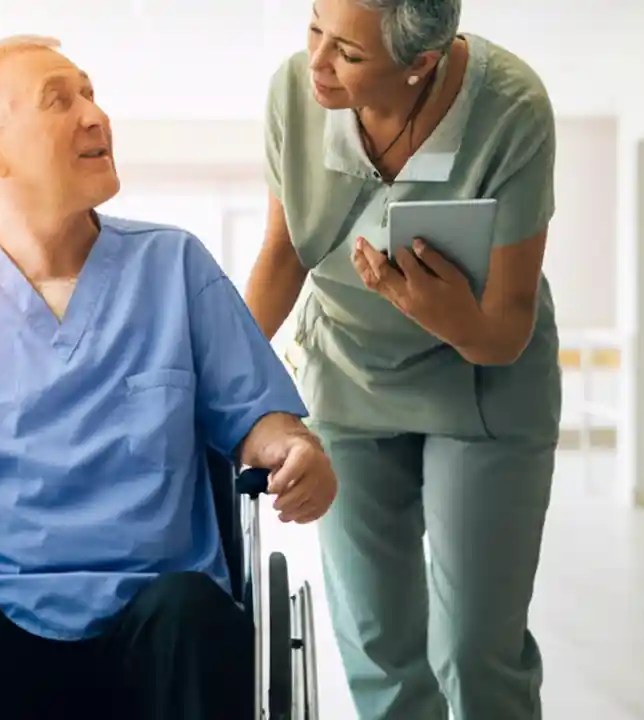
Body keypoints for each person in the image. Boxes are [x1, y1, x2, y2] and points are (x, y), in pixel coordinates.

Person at [0, 35, 337, 720]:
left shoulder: (174, 265)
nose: (95, 115)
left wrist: (297, 449)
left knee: (196, 617)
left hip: (151, 619)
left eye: (90, 93)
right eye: (60, 101)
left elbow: (261, 419)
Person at [245, 1, 559, 718]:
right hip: (349, 377)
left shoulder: (511, 110)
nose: (317, 63)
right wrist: (218, 379)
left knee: (475, 650)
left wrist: (437, 312)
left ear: (420, 63)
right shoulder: (295, 92)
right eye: (314, 27)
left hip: (480, 380)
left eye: (347, 54)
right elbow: (282, 253)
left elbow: (506, 329)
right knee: (378, 644)